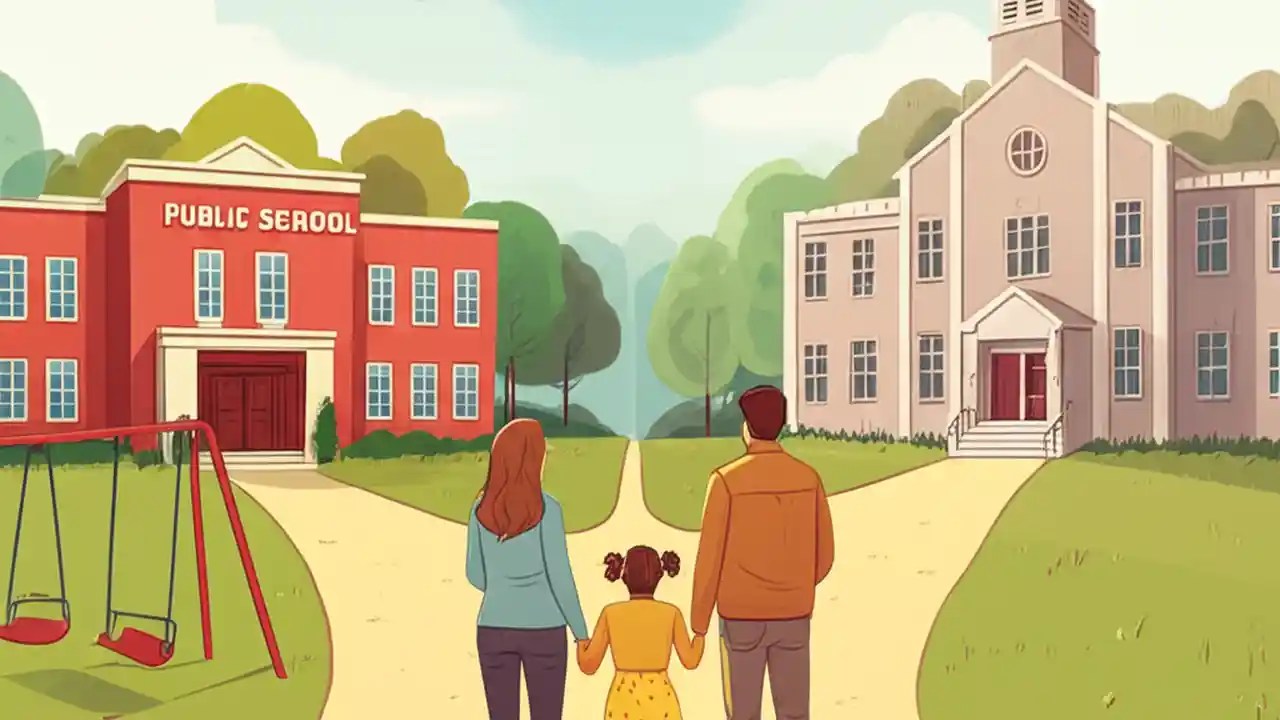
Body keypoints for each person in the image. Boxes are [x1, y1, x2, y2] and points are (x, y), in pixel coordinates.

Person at [689, 385, 836, 720]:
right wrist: (795, 582)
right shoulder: (808, 478)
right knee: (795, 712)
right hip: (794, 614)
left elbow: (709, 561)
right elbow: (824, 554)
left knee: (742, 714)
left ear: (746, 427)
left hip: (741, 617)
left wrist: (698, 623)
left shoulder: (725, 481)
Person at [465, 418, 590, 720]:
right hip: (544, 631)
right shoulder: (549, 510)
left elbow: (474, 574)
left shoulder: (479, 510)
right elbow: (560, 577)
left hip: (493, 627)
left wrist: (503, 588)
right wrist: (581, 633)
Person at [576, 545, 704, 720]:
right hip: (662, 702)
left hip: (623, 702)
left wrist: (581, 640)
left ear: (623, 575)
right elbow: (690, 660)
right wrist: (700, 635)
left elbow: (588, 664)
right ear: (660, 575)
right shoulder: (671, 613)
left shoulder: (611, 613)